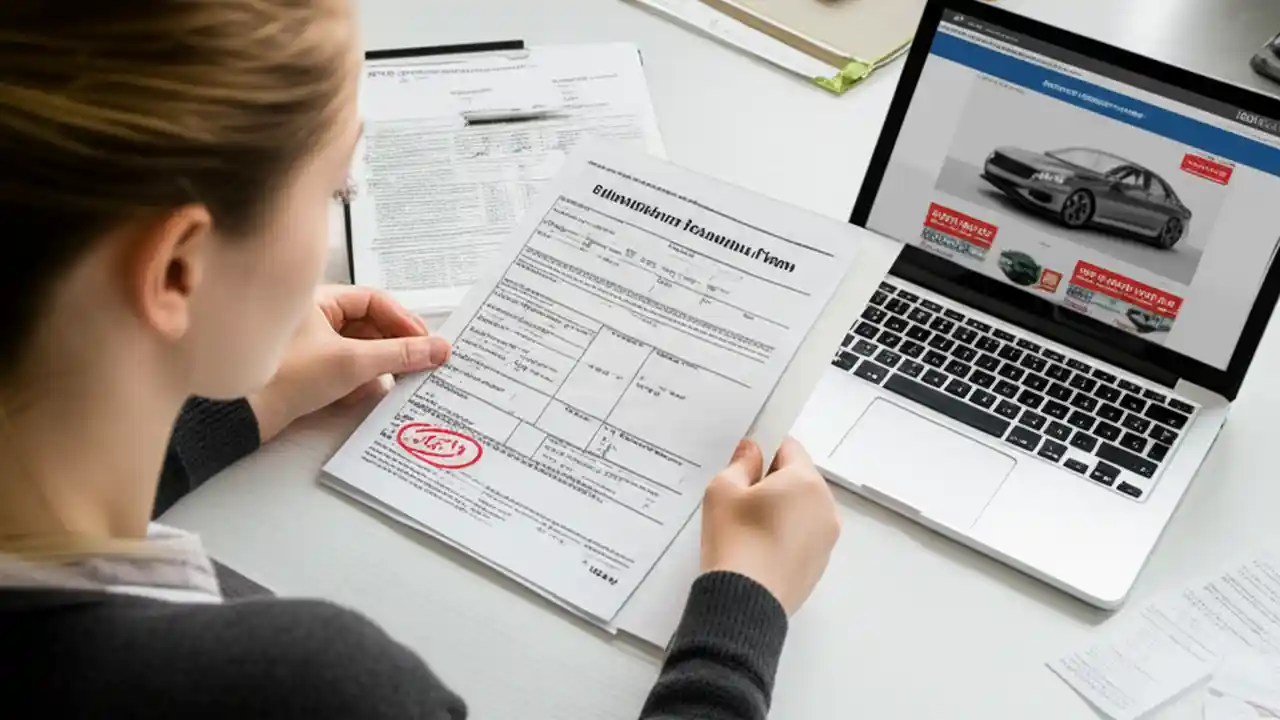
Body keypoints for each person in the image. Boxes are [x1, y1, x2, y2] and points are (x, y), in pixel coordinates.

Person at [0, 1, 841, 718]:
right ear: (180, 269)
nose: (342, 211)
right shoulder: (313, 690)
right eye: (335, 187)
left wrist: (229, 405)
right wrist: (741, 617)